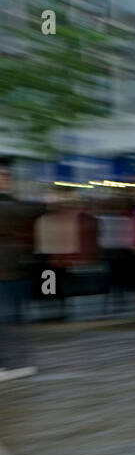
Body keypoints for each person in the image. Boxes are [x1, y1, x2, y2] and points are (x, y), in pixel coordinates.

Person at [0, 160, 41, 379]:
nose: (5, 181)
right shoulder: (10, 206)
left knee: (14, 317)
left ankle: (16, 363)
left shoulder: (12, 204)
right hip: (7, 271)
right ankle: (9, 364)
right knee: (8, 317)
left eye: (6, 177)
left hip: (15, 269)